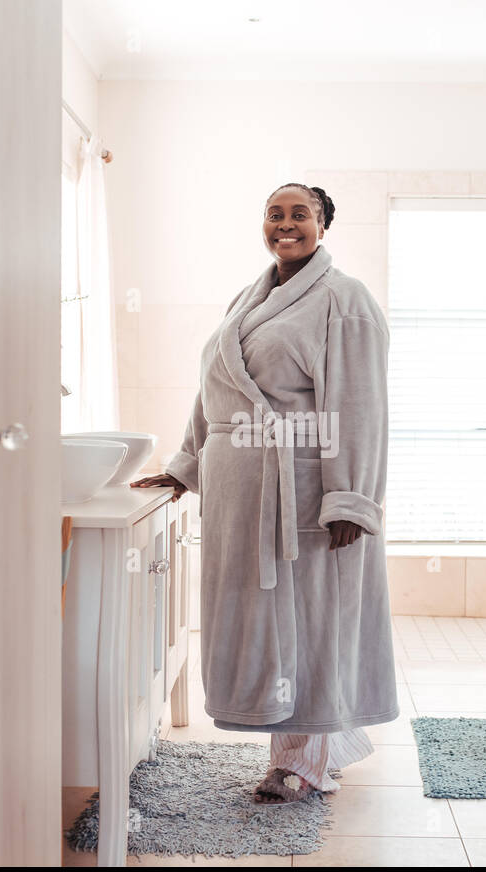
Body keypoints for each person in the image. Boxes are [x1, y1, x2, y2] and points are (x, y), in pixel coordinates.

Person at [132, 183, 398, 804]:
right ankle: (306, 748)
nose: (285, 224)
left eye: (299, 214)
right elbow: (215, 393)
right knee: (269, 627)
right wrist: (185, 465)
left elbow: (359, 407)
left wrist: (351, 497)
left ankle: (305, 761)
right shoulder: (249, 298)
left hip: (303, 491)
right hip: (239, 494)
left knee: (310, 624)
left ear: (323, 225)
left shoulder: (345, 300)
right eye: (274, 214)